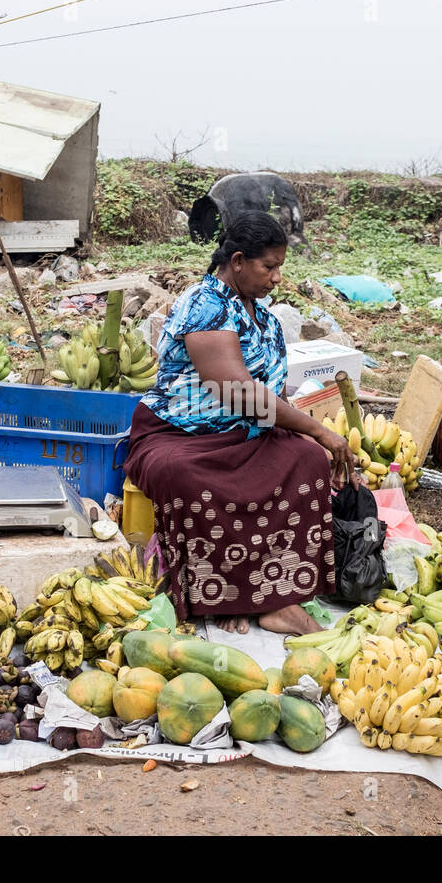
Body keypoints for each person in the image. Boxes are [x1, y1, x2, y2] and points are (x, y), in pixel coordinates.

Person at [123, 211, 356, 635]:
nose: (277, 278)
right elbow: (237, 391)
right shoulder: (205, 304)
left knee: (306, 461)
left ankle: (277, 597)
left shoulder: (261, 315)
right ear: (238, 261)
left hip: (246, 431)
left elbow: (269, 390)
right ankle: (223, 597)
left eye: (280, 267)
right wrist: (319, 428)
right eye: (269, 267)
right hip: (181, 433)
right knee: (182, 476)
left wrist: (305, 435)